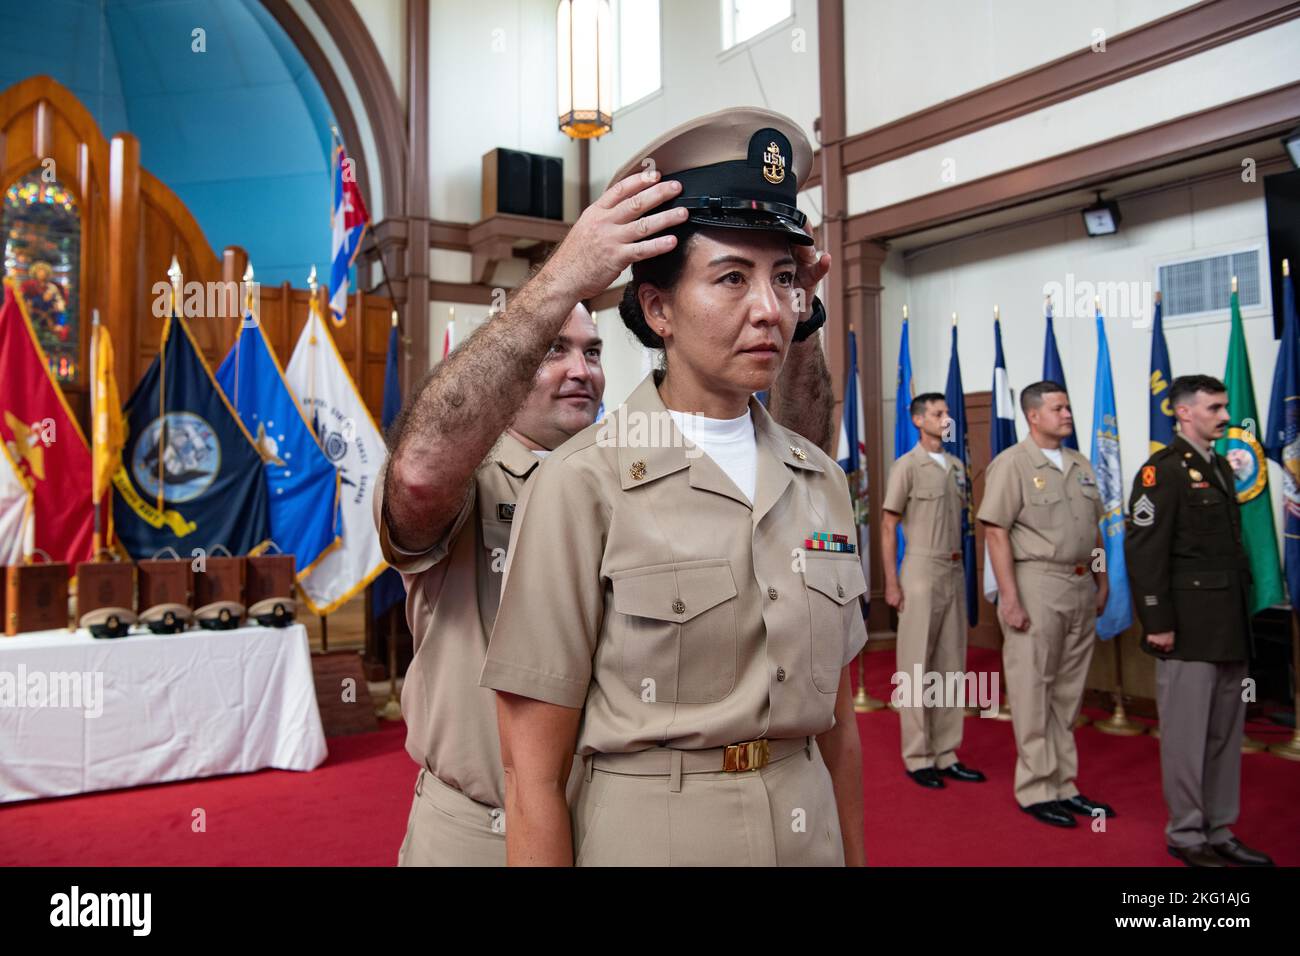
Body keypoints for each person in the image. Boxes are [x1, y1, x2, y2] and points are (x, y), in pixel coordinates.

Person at [376, 115, 834, 867]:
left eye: (592, 351)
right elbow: (422, 470)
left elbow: (800, 457)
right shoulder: (477, 482)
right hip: (479, 826)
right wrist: (562, 280)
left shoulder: (637, 463)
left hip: (611, 818)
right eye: (553, 347)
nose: (580, 370)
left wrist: (798, 319)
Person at [1124, 374, 1274, 867]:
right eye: (1214, 408)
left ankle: (1220, 828)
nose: (1226, 416)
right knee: (1188, 738)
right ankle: (1187, 833)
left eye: (1225, 407)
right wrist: (1156, 622)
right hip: (1185, 630)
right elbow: (1145, 551)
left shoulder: (1220, 468)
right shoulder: (1161, 471)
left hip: (1227, 625)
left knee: (1225, 736)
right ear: (1183, 412)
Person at [977, 380, 1113, 828]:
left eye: (1068, 407)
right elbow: (995, 532)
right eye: (1058, 408)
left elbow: (1094, 531)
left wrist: (1102, 578)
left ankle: (1064, 784)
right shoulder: (1012, 464)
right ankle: (1035, 787)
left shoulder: (1081, 464)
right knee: (1033, 688)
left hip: (1078, 586)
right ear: (1033, 416)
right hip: (1036, 583)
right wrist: (1010, 599)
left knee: (1068, 692)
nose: (1067, 414)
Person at [881, 392, 985, 789]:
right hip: (921, 570)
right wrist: (891, 582)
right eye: (938, 413)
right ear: (918, 420)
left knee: (951, 666)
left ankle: (947, 752)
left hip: (955, 570)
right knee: (916, 667)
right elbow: (889, 526)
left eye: (946, 413)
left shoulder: (957, 467)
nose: (945, 419)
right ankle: (918, 755)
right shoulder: (907, 467)